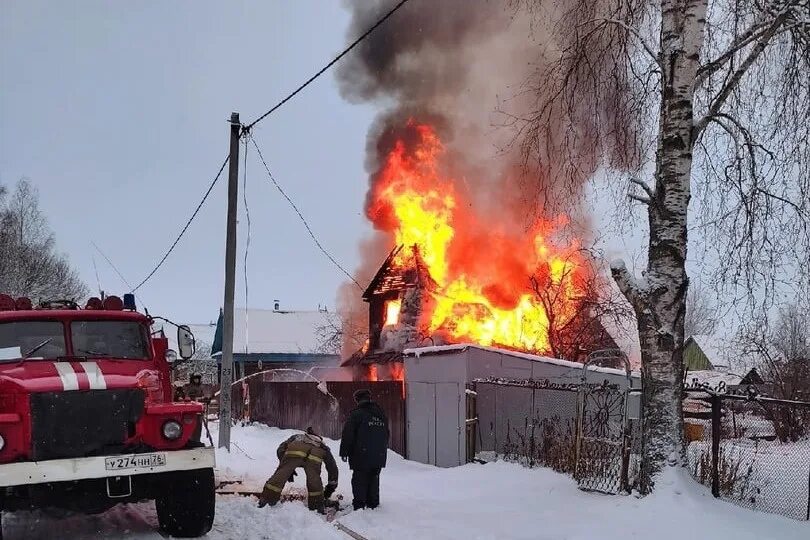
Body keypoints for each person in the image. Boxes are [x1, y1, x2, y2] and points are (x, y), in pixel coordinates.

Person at [258, 427, 339, 513]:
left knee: (278, 478)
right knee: (314, 482)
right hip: (313, 460)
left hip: (292, 455)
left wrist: (285, 466)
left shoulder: (297, 437)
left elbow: (280, 449)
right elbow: (332, 469)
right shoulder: (324, 447)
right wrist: (330, 488)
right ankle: (316, 507)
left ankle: (266, 501)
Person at [340, 389, 389, 510]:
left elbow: (348, 434)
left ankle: (360, 505)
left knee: (359, 479)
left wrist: (344, 451)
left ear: (357, 400)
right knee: (373, 478)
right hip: (378, 454)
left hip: (361, 454)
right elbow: (387, 434)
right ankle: (373, 503)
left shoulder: (357, 414)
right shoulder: (381, 414)